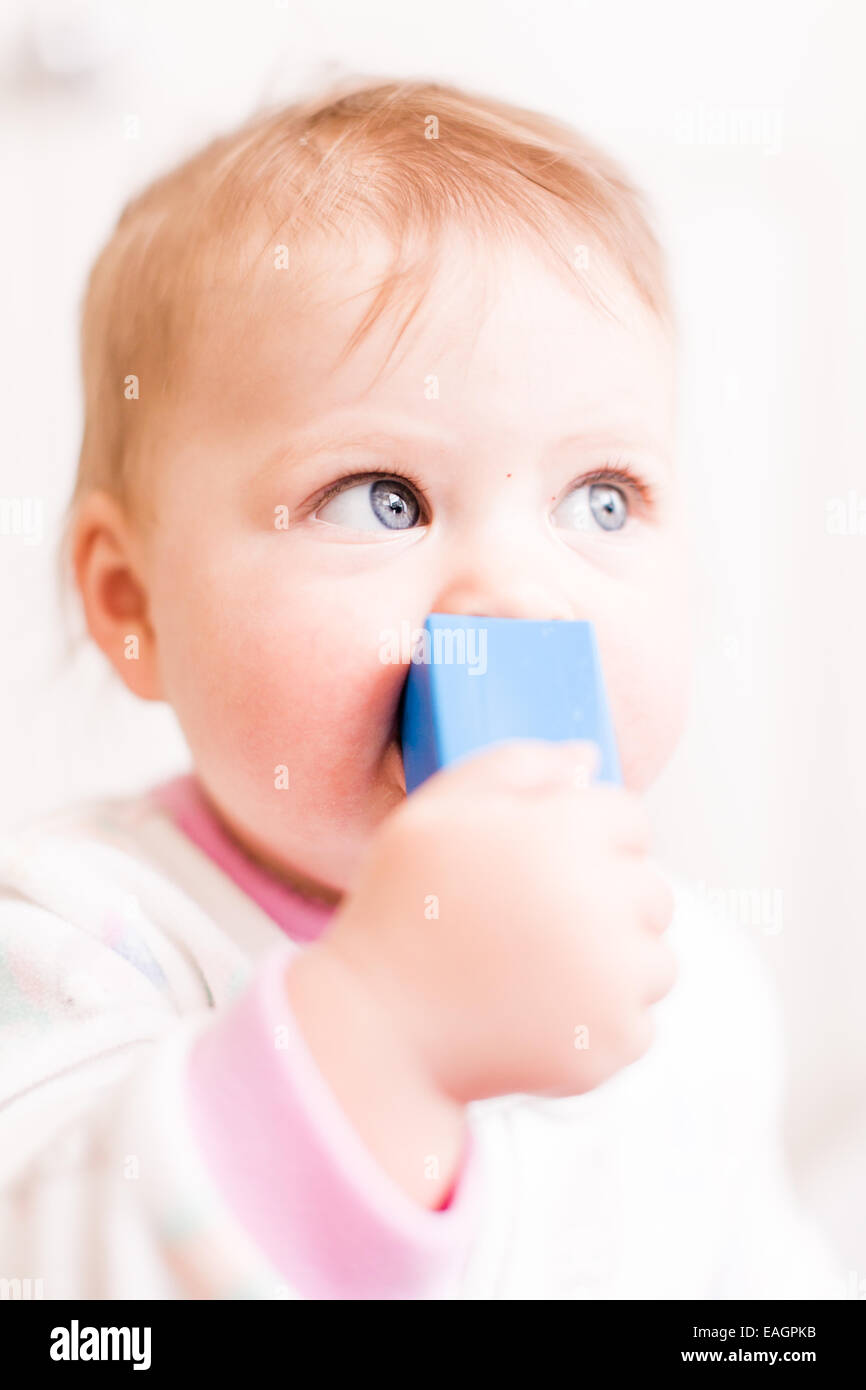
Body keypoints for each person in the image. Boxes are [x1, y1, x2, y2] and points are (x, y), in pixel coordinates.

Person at [0, 76, 843, 1299]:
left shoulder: (689, 986)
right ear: (132, 605)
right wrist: (379, 1034)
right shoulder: (79, 945)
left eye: (600, 497)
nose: (512, 591)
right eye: (379, 496)